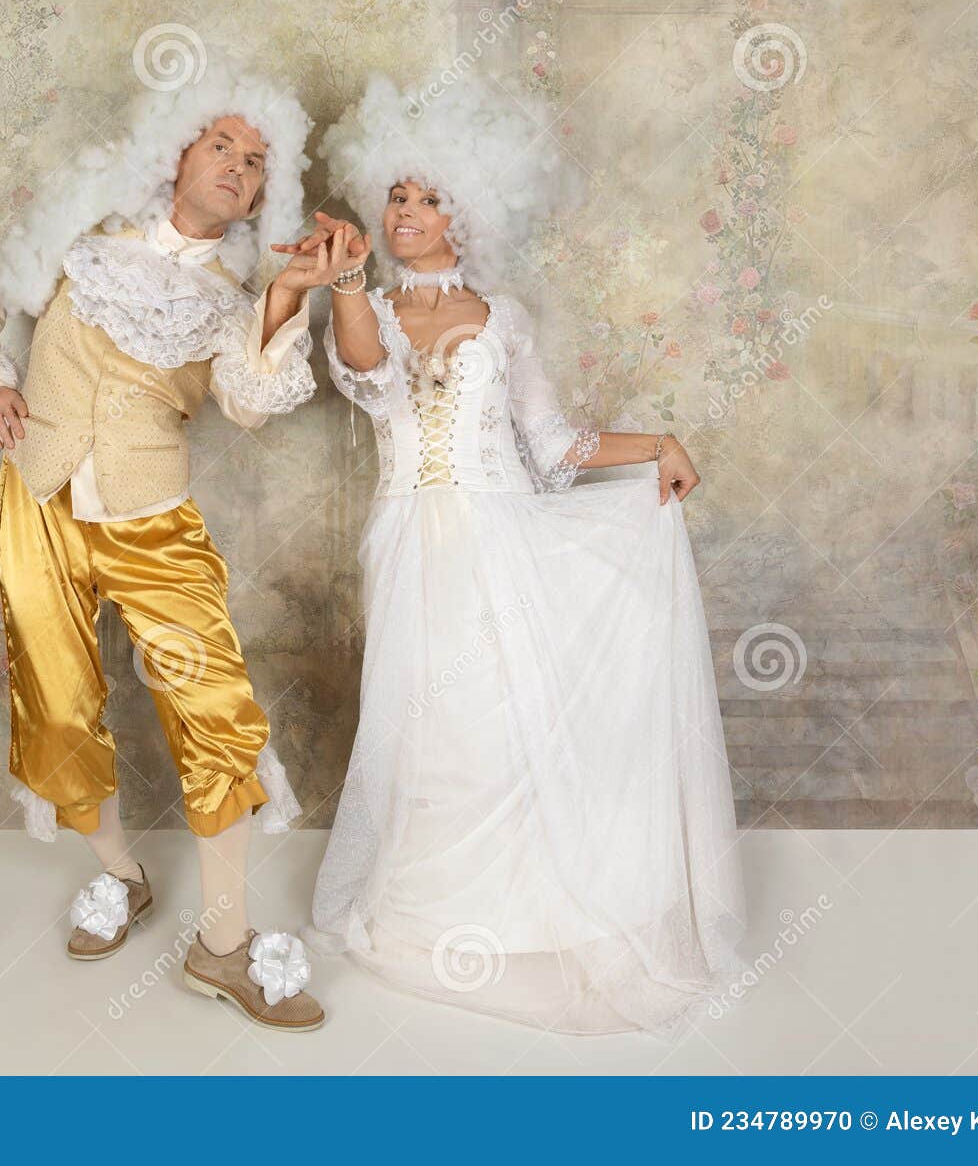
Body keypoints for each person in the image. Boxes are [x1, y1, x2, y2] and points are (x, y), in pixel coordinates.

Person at [304, 73, 747, 1036]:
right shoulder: (369, 310)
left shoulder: (503, 319)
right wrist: (345, 284)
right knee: (424, 723)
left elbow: (553, 445)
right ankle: (430, 916)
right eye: (397, 195)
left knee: (494, 717)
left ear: (466, 211)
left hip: (498, 535)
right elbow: (371, 383)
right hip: (410, 540)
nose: (404, 212)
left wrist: (657, 443)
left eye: (426, 198)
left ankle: (523, 914)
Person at [0, 58, 341, 1031]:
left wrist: (290, 294)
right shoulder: (89, 229)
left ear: (263, 188)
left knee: (213, 709)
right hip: (36, 492)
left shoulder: (241, 289)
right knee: (57, 699)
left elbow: (247, 402)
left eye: (254, 160)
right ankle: (121, 874)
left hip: (151, 516)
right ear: (179, 148)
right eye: (221, 145)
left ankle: (227, 944)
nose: (235, 167)